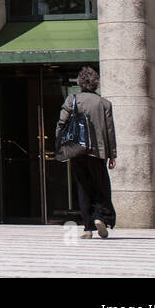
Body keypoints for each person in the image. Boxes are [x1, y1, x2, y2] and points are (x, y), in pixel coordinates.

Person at [55, 65, 117, 239]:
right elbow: (110, 131)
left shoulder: (71, 100)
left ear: (80, 83)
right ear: (96, 83)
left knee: (83, 188)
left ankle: (88, 228)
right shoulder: (104, 103)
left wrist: (62, 147)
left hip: (77, 152)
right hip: (98, 152)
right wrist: (112, 154)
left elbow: (61, 124)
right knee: (101, 187)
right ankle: (100, 217)